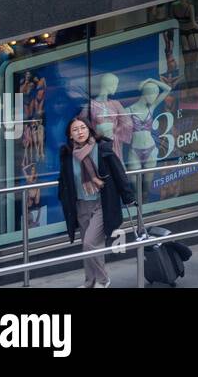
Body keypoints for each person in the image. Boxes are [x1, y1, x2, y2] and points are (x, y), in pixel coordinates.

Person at [57, 115, 134, 288]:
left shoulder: (102, 149)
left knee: (90, 243)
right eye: (75, 130)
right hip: (80, 205)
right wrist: (63, 197)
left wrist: (128, 196)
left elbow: (118, 173)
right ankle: (89, 282)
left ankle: (103, 280)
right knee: (90, 247)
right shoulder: (68, 155)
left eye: (83, 128)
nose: (80, 132)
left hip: (101, 203)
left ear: (89, 129)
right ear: (70, 135)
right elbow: (64, 180)